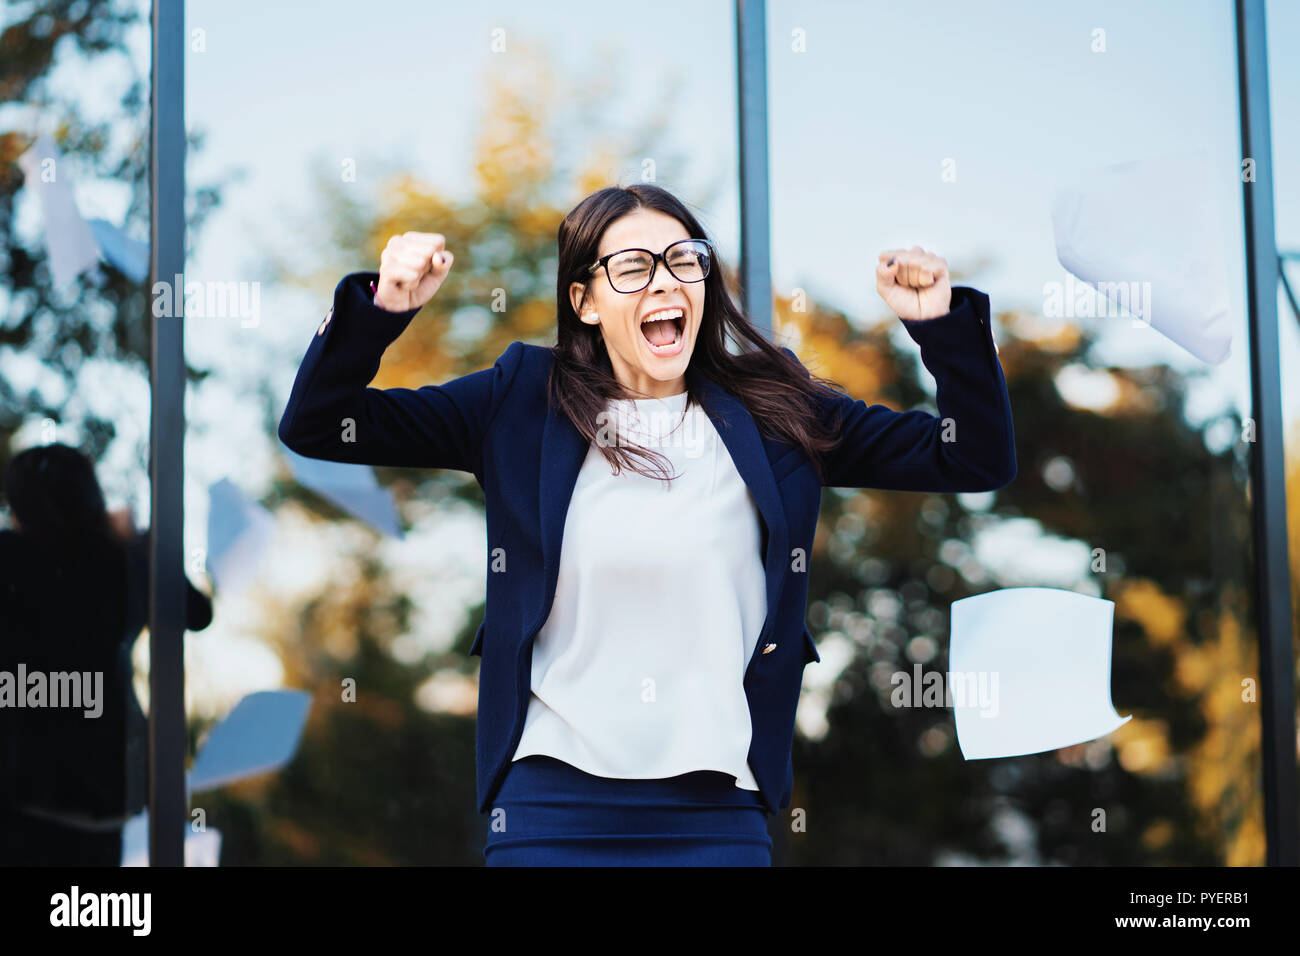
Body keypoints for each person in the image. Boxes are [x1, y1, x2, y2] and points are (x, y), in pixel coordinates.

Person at [278, 183, 1017, 866]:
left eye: (683, 260)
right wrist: (383, 308)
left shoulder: (779, 410)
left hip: (719, 813)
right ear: (586, 300)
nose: (665, 280)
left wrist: (940, 331)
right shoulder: (518, 401)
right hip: (550, 810)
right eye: (631, 266)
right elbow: (320, 424)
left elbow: (973, 459)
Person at [0, 443, 214, 865]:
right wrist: (140, 541)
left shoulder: (11, 557)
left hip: (21, 778)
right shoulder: (121, 559)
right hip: (104, 779)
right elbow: (196, 612)